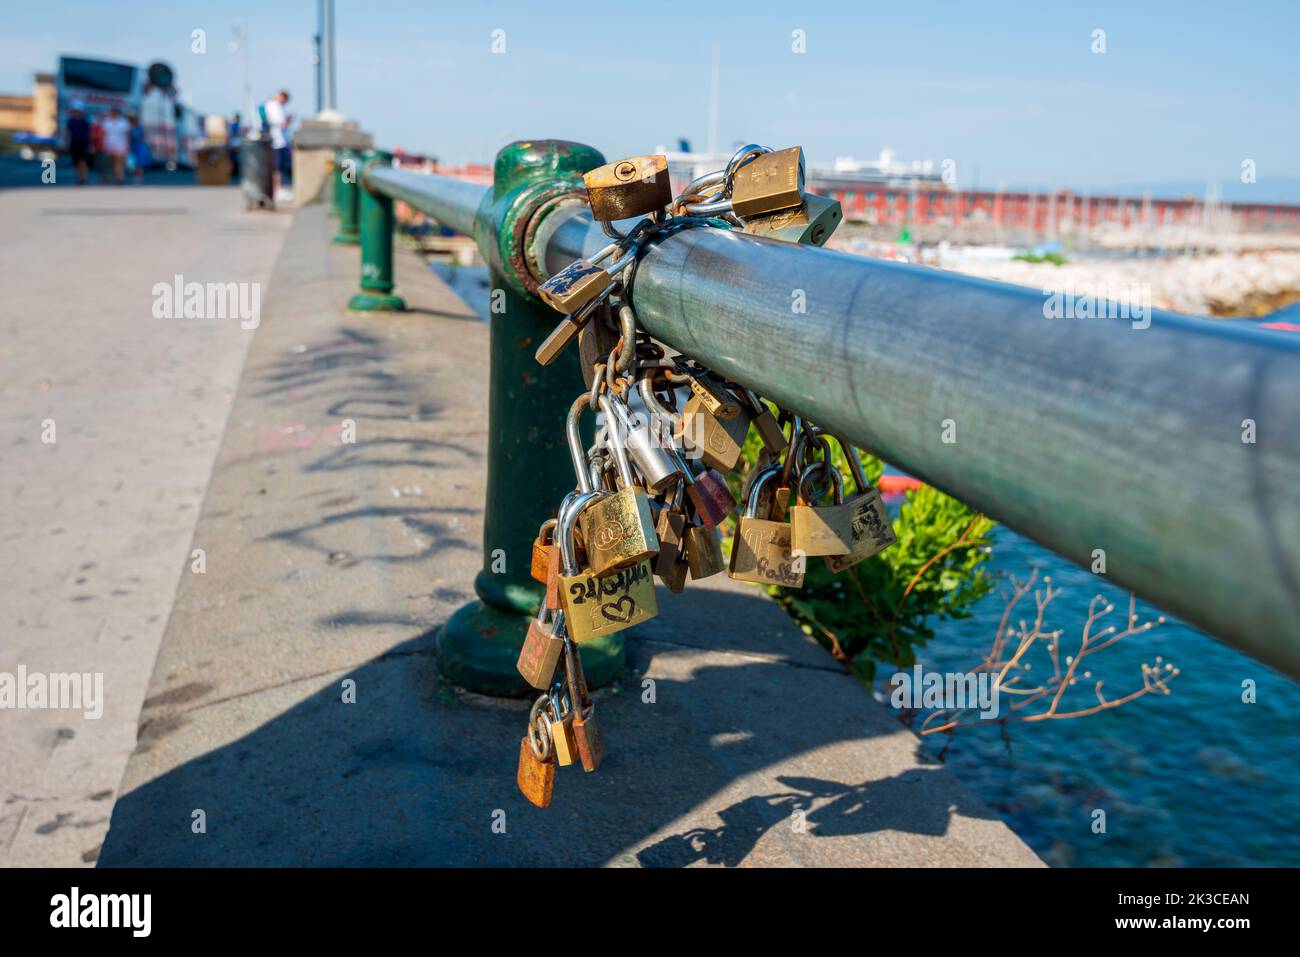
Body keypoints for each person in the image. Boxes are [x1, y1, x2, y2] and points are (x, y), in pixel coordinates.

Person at [260, 90, 293, 200]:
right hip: (276, 140)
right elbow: (282, 123)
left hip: (273, 140)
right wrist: (288, 121)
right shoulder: (274, 106)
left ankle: (276, 189)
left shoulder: (268, 105)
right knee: (277, 167)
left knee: (276, 167)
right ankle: (277, 189)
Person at [99, 106, 131, 185]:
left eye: (111, 113)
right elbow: (102, 134)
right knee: (111, 162)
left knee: (119, 161)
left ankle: (120, 178)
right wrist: (103, 144)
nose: (110, 114)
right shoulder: (106, 122)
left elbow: (126, 134)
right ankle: (114, 176)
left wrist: (127, 145)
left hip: (120, 144)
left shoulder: (123, 122)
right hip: (109, 144)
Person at [64, 100, 92, 185]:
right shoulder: (71, 121)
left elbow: (89, 133)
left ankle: (83, 177)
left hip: (84, 143)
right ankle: (78, 177)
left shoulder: (85, 121)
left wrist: (91, 144)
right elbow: (66, 132)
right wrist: (64, 143)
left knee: (83, 161)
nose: (76, 113)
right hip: (74, 143)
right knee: (76, 162)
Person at [127, 114, 150, 183]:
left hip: (139, 146)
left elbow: (143, 136)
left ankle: (139, 177)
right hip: (133, 146)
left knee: (140, 162)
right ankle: (135, 176)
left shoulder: (138, 127)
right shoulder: (129, 127)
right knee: (133, 163)